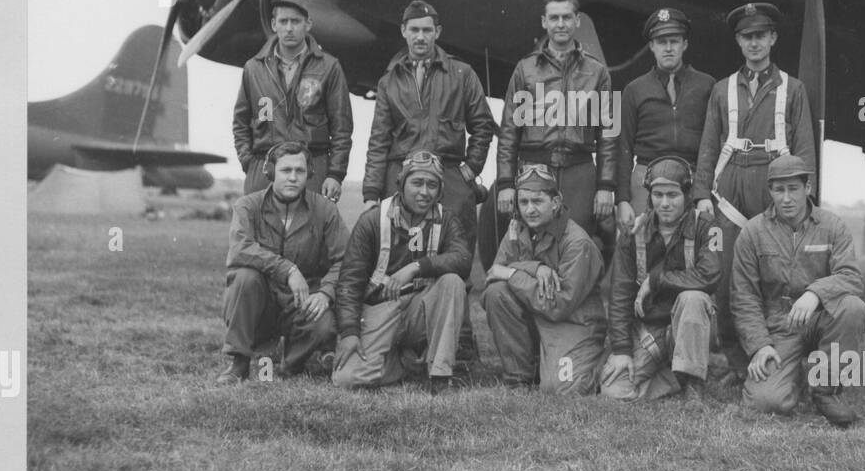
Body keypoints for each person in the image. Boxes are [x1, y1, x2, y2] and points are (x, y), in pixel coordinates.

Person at [693, 2, 816, 379]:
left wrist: (805, 199)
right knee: (729, 279)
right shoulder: (721, 90)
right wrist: (701, 195)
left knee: (778, 279)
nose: (755, 43)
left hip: (775, 191)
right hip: (729, 192)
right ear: (738, 41)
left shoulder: (793, 90)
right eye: (747, 37)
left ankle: (783, 358)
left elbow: (805, 147)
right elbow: (709, 145)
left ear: (773, 38)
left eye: (761, 35)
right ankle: (738, 361)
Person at [731, 155, 865, 426]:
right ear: (769, 191)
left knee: (853, 308)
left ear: (808, 188)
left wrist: (814, 294)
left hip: (820, 318)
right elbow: (743, 296)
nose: (786, 198)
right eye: (778, 190)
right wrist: (759, 346)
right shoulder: (752, 232)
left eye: (793, 188)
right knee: (766, 402)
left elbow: (851, 276)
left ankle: (826, 391)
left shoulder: (833, 226)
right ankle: (791, 377)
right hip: (779, 326)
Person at [363, 0, 496, 257]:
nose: (420, 37)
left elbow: (483, 124)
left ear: (438, 32)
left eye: (427, 30)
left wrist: (470, 171)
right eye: (414, 30)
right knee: (400, 254)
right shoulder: (388, 82)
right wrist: (371, 191)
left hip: (449, 173)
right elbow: (378, 140)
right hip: (401, 175)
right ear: (403, 31)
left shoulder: (462, 74)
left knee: (456, 250)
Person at [332, 151, 471, 394]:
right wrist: (349, 332)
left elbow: (463, 259)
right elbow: (349, 282)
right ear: (401, 184)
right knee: (348, 379)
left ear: (440, 190)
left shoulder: (447, 220)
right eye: (417, 183)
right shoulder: (372, 220)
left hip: (419, 309)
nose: (424, 192)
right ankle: (401, 363)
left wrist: (416, 267)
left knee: (452, 282)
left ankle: (440, 375)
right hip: (380, 309)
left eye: (432, 185)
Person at [219, 142, 349, 384]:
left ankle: (292, 363)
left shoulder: (325, 210)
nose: (292, 178)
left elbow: (346, 259)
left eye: (299, 171)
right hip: (261, 299)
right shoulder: (247, 206)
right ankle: (239, 362)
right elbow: (240, 249)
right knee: (245, 277)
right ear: (270, 172)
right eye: (285, 170)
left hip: (302, 300)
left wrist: (326, 293)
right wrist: (287, 269)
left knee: (324, 324)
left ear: (309, 174)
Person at [495, 0, 618, 237]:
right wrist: (506, 183)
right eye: (554, 18)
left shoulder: (598, 72)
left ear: (577, 21)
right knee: (532, 245)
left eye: (566, 17)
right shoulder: (525, 69)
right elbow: (509, 131)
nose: (560, 24)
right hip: (535, 169)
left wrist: (605, 185)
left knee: (578, 241)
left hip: (579, 171)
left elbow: (609, 134)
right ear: (544, 22)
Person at [600, 158, 720, 403]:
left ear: (687, 194)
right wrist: (622, 350)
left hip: (692, 326)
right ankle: (675, 378)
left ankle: (694, 385)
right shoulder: (633, 233)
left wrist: (655, 281)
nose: (664, 203)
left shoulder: (707, 226)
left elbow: (710, 275)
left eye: (672, 195)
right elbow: (620, 293)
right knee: (614, 392)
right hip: (650, 331)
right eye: (658, 194)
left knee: (694, 297)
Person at [482, 165, 606, 395]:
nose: (529, 210)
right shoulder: (517, 229)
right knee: (496, 293)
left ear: (556, 203)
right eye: (524, 202)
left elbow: (560, 305)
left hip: (572, 321)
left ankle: (598, 362)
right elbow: (494, 273)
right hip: (537, 313)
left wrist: (513, 273)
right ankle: (518, 377)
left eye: (537, 201)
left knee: (561, 389)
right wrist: (535, 267)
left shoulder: (578, 243)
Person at [232, 0, 354, 199]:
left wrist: (335, 174)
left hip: (312, 168)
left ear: (308, 24)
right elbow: (240, 123)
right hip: (265, 167)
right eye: (283, 21)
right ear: (273, 25)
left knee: (311, 229)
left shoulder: (329, 67)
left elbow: (342, 127)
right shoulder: (253, 68)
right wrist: (249, 162)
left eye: (296, 21)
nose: (289, 28)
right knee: (261, 229)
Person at [614, 7, 715, 236]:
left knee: (693, 246)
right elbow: (623, 147)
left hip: (691, 177)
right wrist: (622, 200)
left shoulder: (706, 85)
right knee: (640, 246)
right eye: (661, 42)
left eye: (674, 41)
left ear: (685, 44)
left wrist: (703, 193)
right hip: (646, 179)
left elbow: (714, 143)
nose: (668, 48)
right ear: (651, 46)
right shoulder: (635, 89)